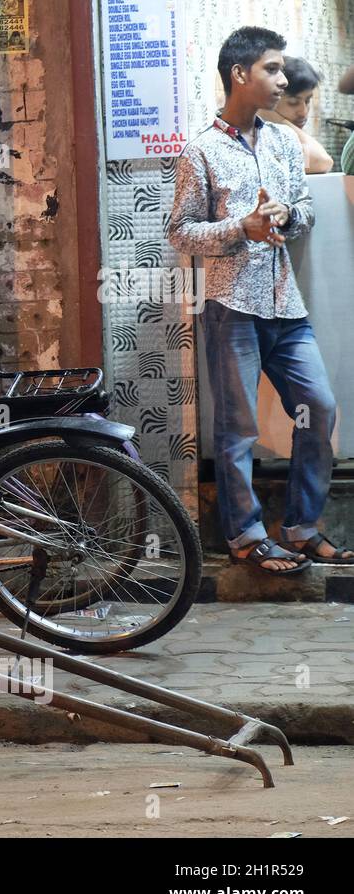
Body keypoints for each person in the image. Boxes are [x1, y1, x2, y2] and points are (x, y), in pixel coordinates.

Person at [169, 27, 352, 574]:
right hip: (233, 309)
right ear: (239, 75)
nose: (281, 80)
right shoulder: (200, 150)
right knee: (238, 429)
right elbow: (179, 232)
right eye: (272, 70)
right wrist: (239, 228)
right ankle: (245, 537)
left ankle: (300, 528)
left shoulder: (282, 142)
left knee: (319, 408)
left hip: (286, 307)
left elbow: (304, 211)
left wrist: (286, 217)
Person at [259, 56, 333, 173]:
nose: (303, 112)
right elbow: (321, 161)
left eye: (307, 101)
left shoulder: (285, 139)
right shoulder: (259, 137)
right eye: (293, 102)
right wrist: (270, 113)